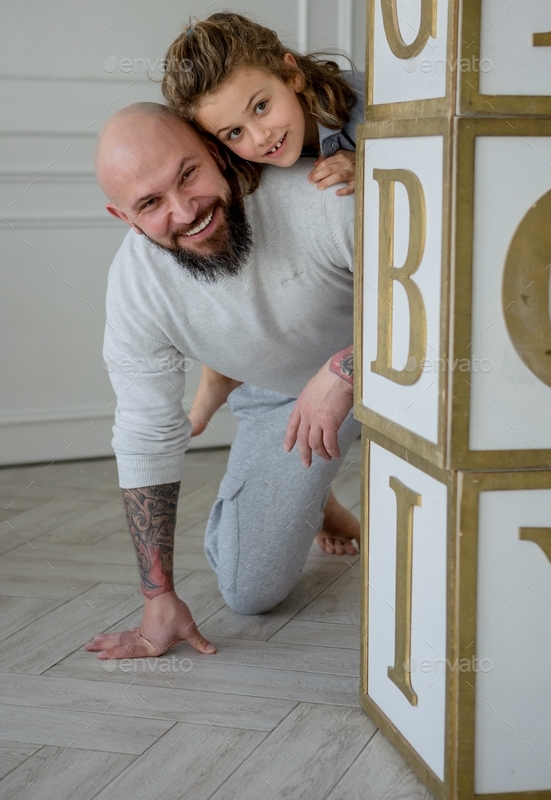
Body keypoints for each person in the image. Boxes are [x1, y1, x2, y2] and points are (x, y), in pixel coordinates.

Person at [85, 102, 360, 661]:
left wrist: (348, 367)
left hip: (394, 363)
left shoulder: (322, 194)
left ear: (214, 152)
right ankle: (316, 496)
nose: (186, 210)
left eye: (187, 174)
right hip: (284, 391)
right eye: (151, 204)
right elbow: (146, 432)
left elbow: (442, 306)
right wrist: (158, 597)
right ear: (125, 219)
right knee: (250, 591)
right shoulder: (135, 286)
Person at [161, 13, 365, 437]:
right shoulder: (246, 157)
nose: (259, 137)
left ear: (291, 74)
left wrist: (376, 167)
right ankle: (220, 368)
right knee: (223, 216)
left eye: (261, 106)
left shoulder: (369, 108)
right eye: (234, 132)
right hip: (307, 312)